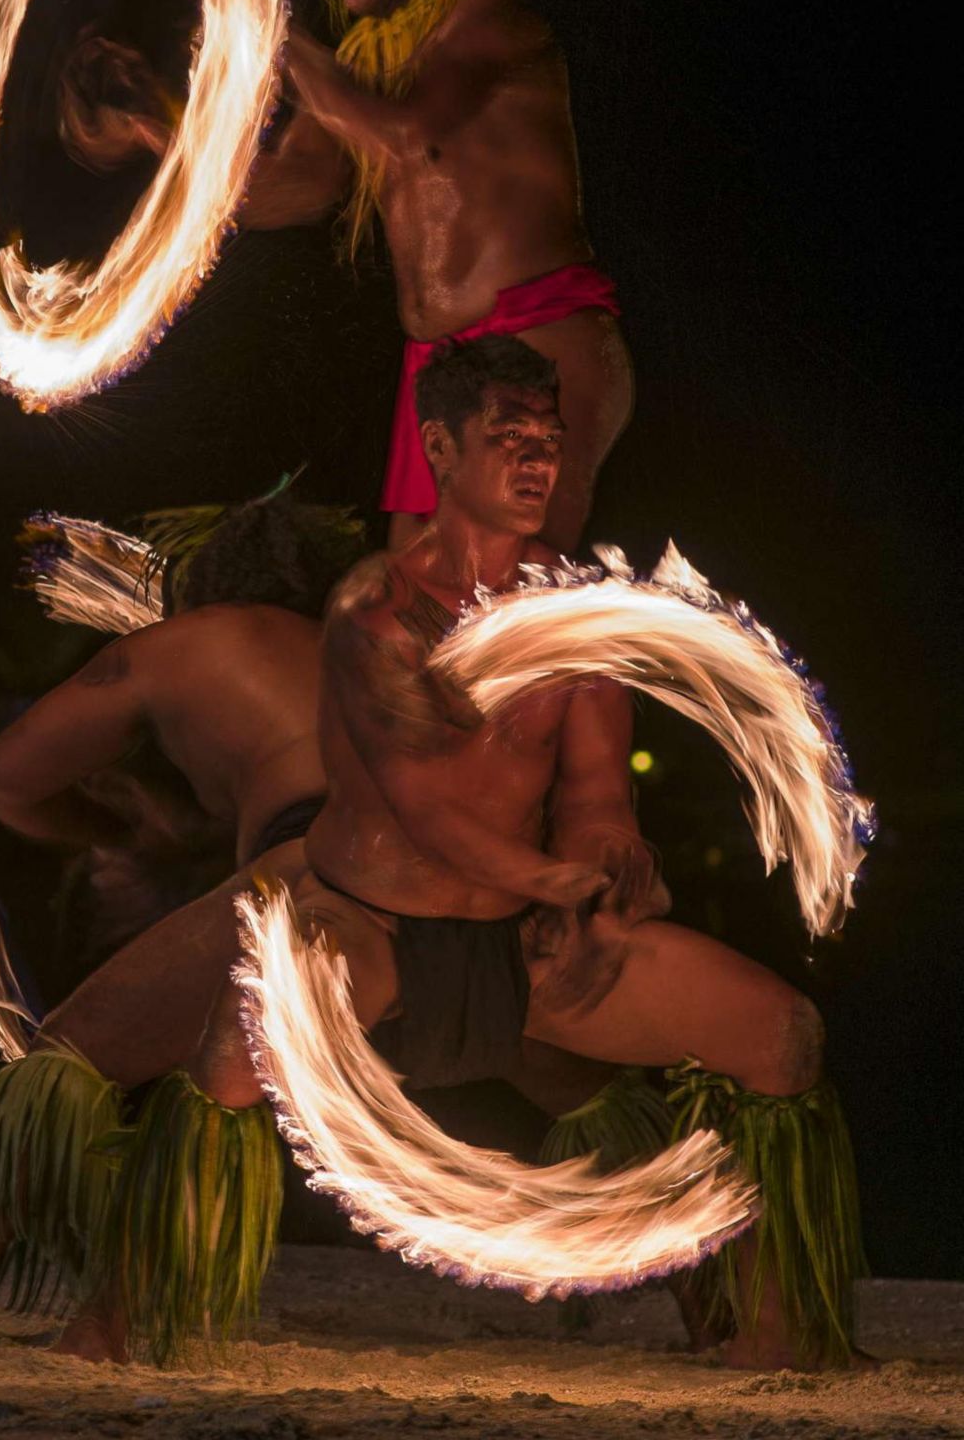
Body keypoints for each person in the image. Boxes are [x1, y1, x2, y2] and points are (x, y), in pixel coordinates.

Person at [244, 332, 861, 1370]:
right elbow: (425, 809)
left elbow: (595, 794)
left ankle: (772, 1330)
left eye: (549, 438)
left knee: (779, 1033)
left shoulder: (578, 618)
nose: (538, 460)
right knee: (218, 1053)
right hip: (368, 928)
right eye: (508, 437)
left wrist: (606, 878)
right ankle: (109, 1314)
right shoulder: (376, 611)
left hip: (515, 942)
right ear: (440, 448)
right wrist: (553, 879)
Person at [57, 0, 630, 551]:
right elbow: (289, 190)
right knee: (410, 597)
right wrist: (152, 129)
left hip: (540, 339)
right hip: (437, 368)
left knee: (517, 585)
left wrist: (265, 15)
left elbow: (404, 135)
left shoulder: (490, 19)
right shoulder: (361, 72)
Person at [0, 490, 352, 1362]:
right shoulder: (368, 651)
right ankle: (108, 1320)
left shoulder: (183, 643)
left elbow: (4, 783)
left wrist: (113, 834)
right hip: (432, 887)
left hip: (310, 866)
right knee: (211, 1092)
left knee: (66, 1061)